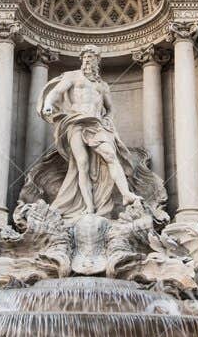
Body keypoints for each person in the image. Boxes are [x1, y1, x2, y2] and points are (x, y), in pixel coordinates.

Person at [39, 46, 141, 217]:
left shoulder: (102, 86)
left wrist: (108, 119)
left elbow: (109, 109)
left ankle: (126, 194)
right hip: (75, 123)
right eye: (85, 57)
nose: (87, 60)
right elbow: (56, 92)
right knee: (82, 164)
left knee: (110, 156)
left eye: (91, 57)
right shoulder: (72, 77)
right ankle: (89, 207)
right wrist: (48, 104)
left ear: (97, 61)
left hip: (95, 124)